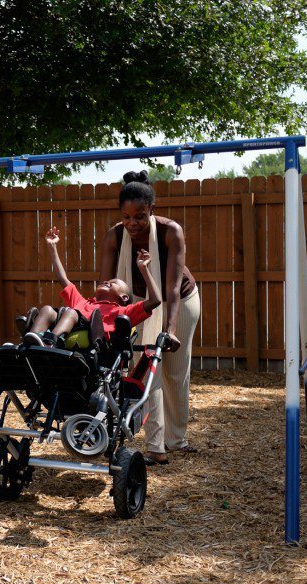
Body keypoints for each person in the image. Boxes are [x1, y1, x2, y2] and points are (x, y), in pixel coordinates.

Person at [98, 170, 201, 466]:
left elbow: (169, 289)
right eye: (126, 217)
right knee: (146, 370)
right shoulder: (114, 237)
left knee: (175, 373)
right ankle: (156, 446)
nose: (132, 223)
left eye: (140, 216)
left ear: (152, 210)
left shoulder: (171, 232)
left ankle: (176, 440)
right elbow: (105, 289)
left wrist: (169, 330)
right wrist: (104, 324)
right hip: (139, 304)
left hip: (179, 300)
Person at [21, 226, 161, 347]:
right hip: (70, 325)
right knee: (47, 310)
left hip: (94, 337)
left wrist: (143, 268)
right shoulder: (83, 302)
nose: (107, 282)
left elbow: (155, 301)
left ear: (124, 297)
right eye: (107, 281)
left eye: (112, 283)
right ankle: (29, 342)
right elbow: (63, 279)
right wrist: (52, 247)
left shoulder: (124, 311)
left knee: (71, 312)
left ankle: (50, 343)